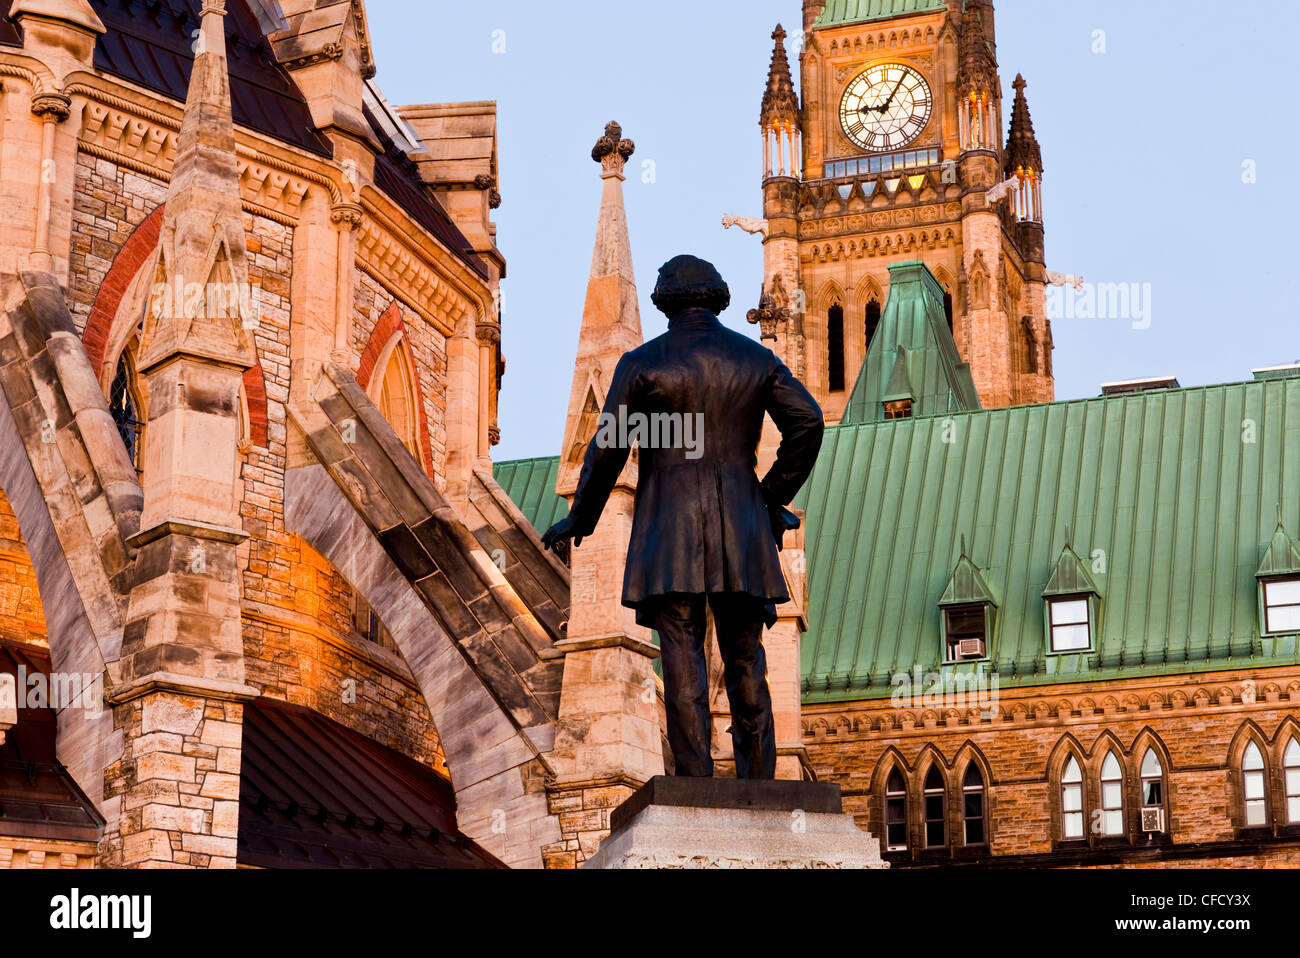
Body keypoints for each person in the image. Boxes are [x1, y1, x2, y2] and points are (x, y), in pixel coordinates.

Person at [542, 255, 824, 779]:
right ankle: (761, 785)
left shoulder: (643, 363)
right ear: (717, 295)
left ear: (663, 299)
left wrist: (580, 519)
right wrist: (767, 495)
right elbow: (808, 423)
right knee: (747, 662)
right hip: (743, 530)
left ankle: (694, 785)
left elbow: (607, 451)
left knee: (682, 660)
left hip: (669, 534)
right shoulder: (755, 360)